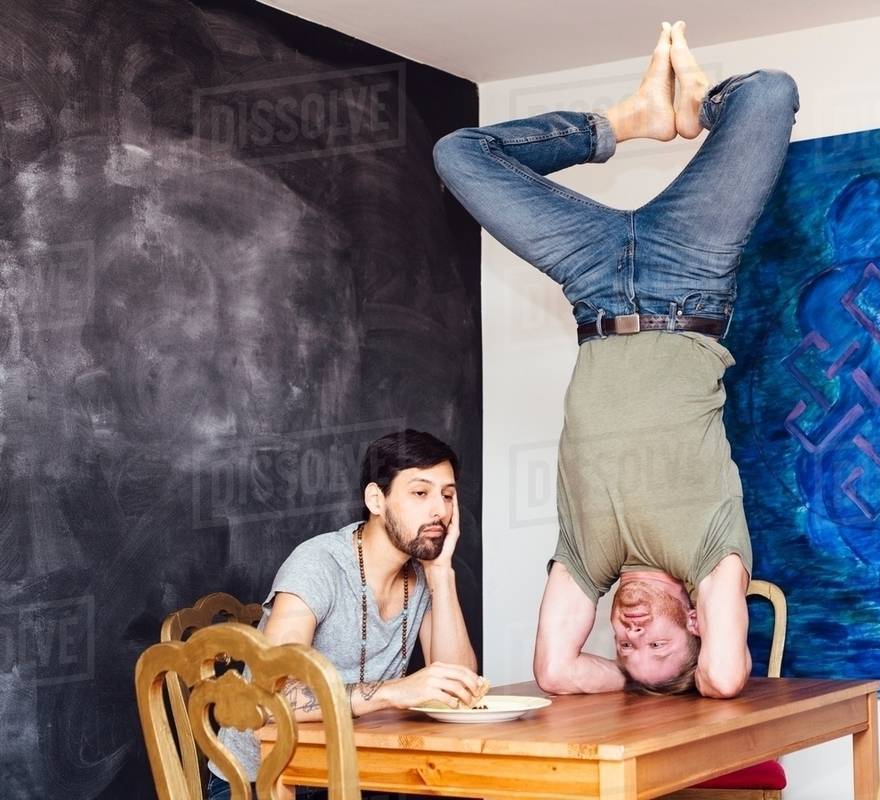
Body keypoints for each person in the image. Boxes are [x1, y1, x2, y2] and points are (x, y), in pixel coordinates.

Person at [433, 21, 798, 697]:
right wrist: (680, 681)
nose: (629, 632)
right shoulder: (713, 557)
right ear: (696, 617)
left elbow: (556, 671)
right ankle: (699, 106)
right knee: (771, 93)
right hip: (693, 275)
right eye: (655, 641)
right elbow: (722, 676)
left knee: (458, 153)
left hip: (593, 287)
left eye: (625, 647)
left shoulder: (586, 562)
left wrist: (642, 687)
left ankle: (627, 122)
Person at [207, 430, 484, 799]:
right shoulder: (318, 564)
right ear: (376, 499)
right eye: (421, 493)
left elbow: (459, 686)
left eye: (447, 495)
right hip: (263, 781)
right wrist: (392, 693)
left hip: (356, 775)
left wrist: (440, 574)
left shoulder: (422, 575)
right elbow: (267, 697)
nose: (440, 511)